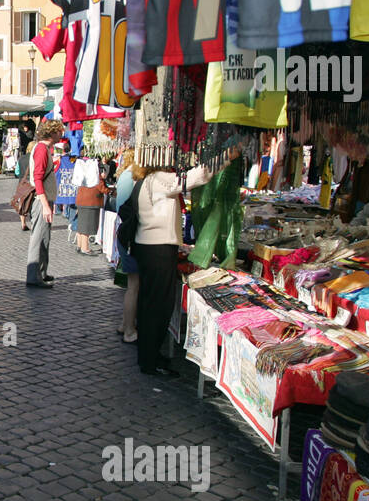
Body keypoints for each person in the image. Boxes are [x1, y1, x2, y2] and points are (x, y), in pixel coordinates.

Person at [134, 147, 243, 377]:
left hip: (149, 246)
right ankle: (150, 359)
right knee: (157, 305)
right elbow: (195, 177)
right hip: (157, 249)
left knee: (149, 303)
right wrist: (225, 158)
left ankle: (148, 354)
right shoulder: (160, 179)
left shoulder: (147, 180)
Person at [25, 120, 64, 288]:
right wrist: (45, 205)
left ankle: (41, 272)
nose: (62, 134)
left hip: (45, 199)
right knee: (38, 237)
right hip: (41, 200)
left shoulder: (43, 149)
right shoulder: (41, 149)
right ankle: (34, 276)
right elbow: (38, 178)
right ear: (52, 133)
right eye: (60, 131)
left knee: (44, 237)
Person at [113, 149, 141, 344]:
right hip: (131, 234)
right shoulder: (134, 177)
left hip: (124, 232)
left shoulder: (125, 174)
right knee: (134, 286)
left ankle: (125, 323)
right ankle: (129, 329)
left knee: (132, 285)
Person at [72, 152, 107, 256]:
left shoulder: (83, 168)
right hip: (90, 201)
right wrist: (109, 190)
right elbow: (100, 187)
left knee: (81, 224)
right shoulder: (94, 170)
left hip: (81, 199)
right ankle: (85, 248)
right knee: (86, 226)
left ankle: (79, 245)